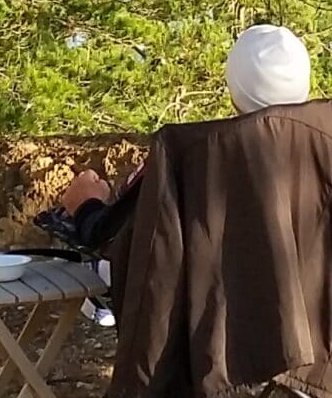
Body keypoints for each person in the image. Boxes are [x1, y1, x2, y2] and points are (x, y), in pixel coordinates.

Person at [46, 26, 314, 245]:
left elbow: (118, 241)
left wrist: (86, 205)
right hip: (321, 309)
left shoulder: (191, 157)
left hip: (209, 309)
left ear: (234, 90)